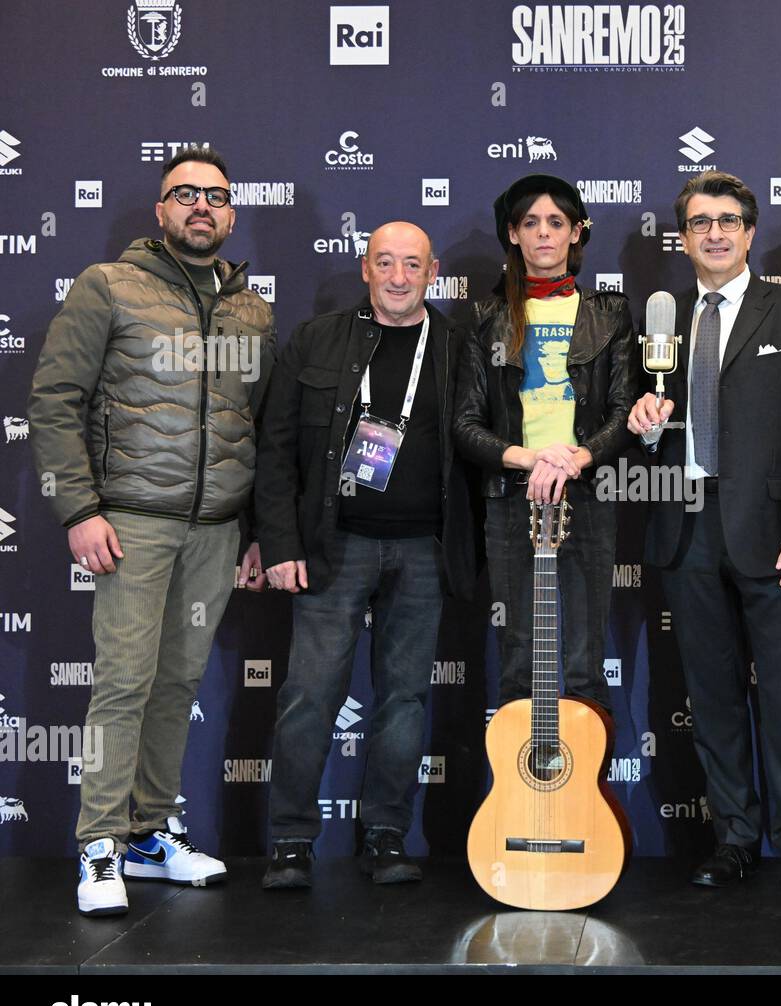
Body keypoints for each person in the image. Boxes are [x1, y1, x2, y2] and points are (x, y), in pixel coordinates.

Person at [28, 146, 274, 915]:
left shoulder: (252, 311)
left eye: (216, 196)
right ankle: (98, 841)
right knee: (124, 682)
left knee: (175, 685)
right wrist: (80, 509)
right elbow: (54, 400)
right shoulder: (108, 286)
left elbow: (258, 427)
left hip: (216, 529)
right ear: (161, 210)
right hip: (131, 521)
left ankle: (146, 832)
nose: (202, 206)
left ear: (231, 213)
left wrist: (259, 529)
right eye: (185, 194)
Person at [627, 171, 781, 896]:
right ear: (681, 239)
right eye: (699, 223)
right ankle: (736, 837)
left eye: (728, 220)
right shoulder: (659, 316)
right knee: (710, 699)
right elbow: (643, 421)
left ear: (751, 232)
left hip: (773, 531)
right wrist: (644, 430)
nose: (714, 232)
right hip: (684, 530)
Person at [254, 221, 477, 888]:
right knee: (308, 696)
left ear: (433, 272)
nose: (399, 276)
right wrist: (278, 541)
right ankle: (291, 840)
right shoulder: (316, 339)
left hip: (422, 550)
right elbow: (275, 448)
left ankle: (386, 835)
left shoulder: (457, 348)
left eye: (412, 264)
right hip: (333, 545)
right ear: (365, 268)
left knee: (404, 700)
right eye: (386, 262)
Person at [454, 174, 633, 719]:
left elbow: (625, 410)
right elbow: (465, 424)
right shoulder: (486, 318)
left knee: (583, 660)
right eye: (530, 223)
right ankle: (518, 801)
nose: (544, 235)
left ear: (577, 232)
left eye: (556, 222)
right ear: (512, 234)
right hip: (512, 497)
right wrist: (534, 459)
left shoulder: (609, 314)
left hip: (588, 496)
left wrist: (576, 457)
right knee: (517, 659)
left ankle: (583, 801)